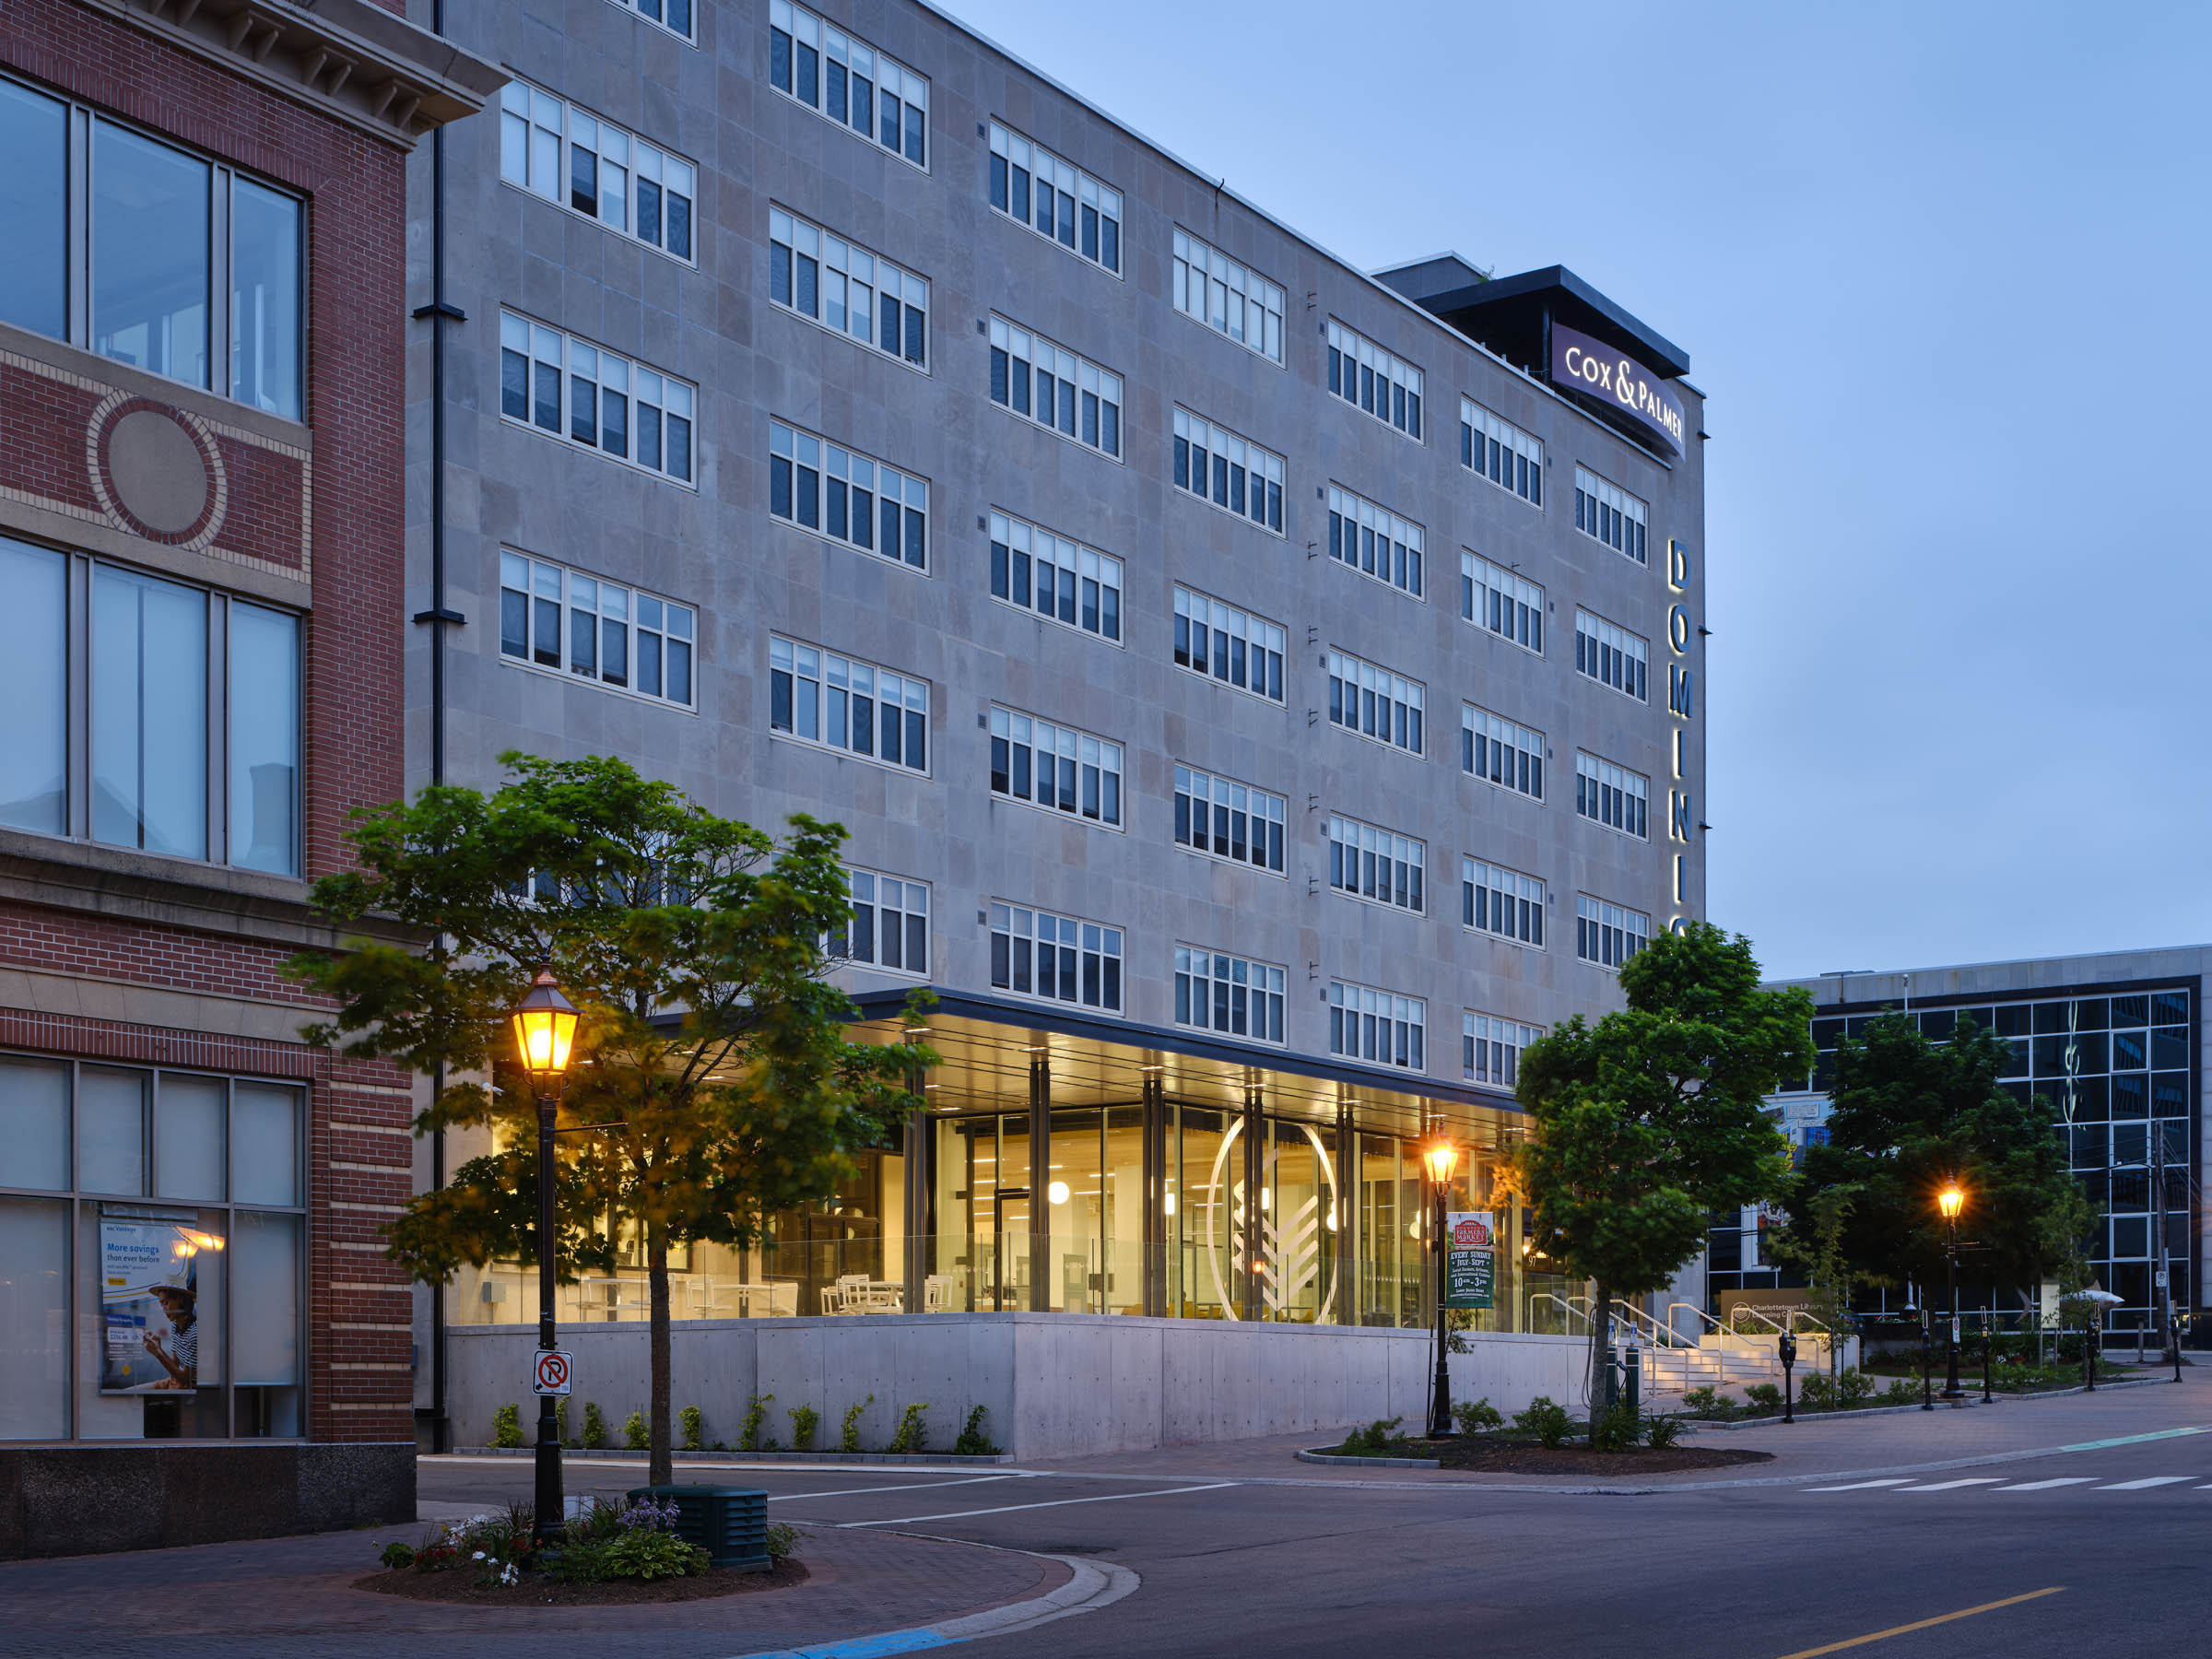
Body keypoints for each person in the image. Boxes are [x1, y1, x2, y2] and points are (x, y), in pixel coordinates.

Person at [143, 1285, 197, 1390]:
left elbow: (185, 1379)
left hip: (187, 1387)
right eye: (161, 1304)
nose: (164, 1309)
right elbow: (175, 1365)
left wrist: (158, 1353)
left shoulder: (194, 1333)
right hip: (174, 1381)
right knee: (128, 1392)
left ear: (180, 1300)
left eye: (166, 1303)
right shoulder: (175, 1325)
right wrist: (159, 1348)